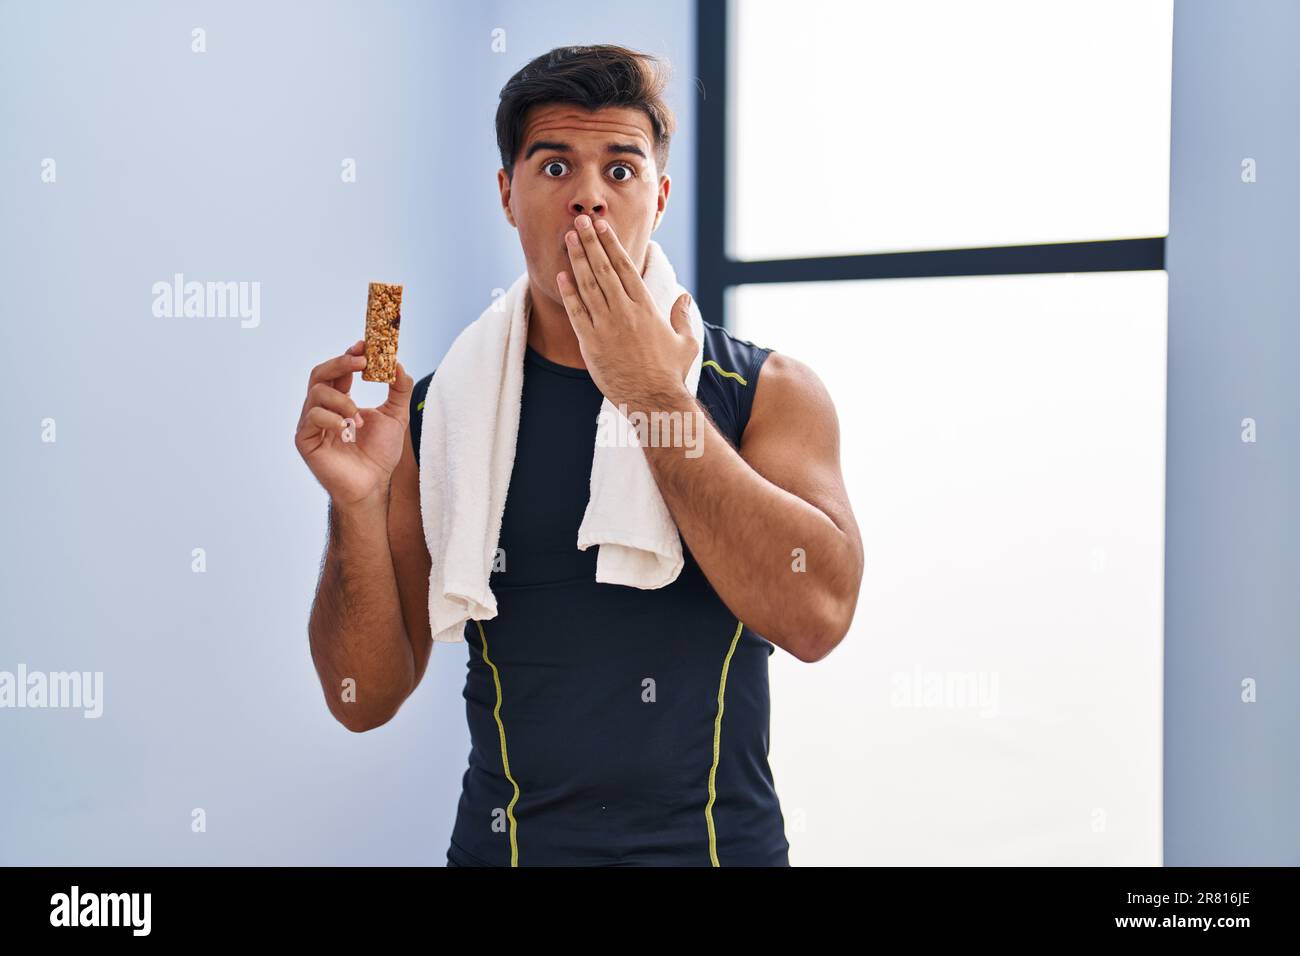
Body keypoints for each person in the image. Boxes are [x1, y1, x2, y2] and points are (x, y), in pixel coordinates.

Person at [295, 44, 863, 866]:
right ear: (507, 195)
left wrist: (651, 395)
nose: (589, 199)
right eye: (555, 167)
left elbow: (819, 620)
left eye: (622, 171)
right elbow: (361, 698)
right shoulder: (436, 412)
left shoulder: (767, 390)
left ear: (659, 199)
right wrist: (353, 502)